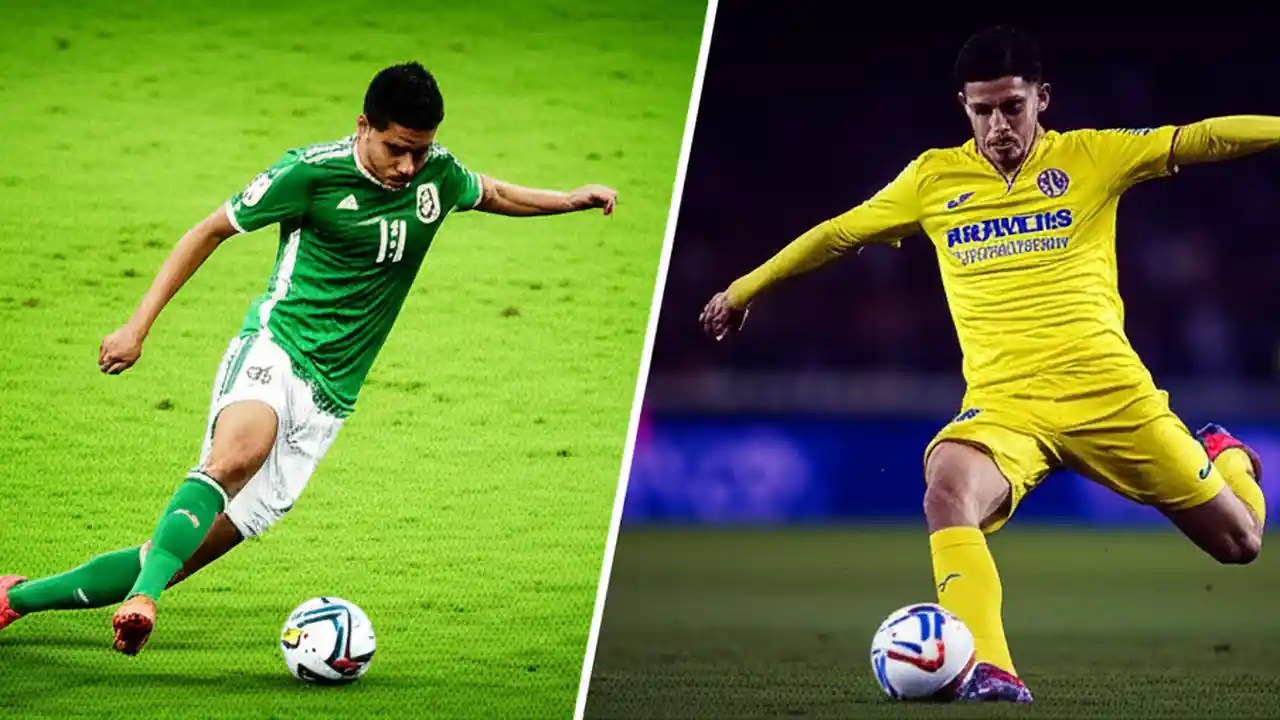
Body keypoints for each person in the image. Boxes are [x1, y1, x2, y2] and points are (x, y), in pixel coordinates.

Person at [698, 25, 1277, 703]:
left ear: (1043, 98)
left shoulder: (1093, 156)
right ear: (964, 107)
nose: (998, 124)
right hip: (1006, 407)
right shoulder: (933, 179)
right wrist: (743, 291)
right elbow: (839, 234)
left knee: (1241, 541)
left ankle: (1224, 454)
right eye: (983, 110)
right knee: (946, 489)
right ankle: (992, 670)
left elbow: (1201, 137)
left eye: (1012, 106)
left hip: (1111, 397)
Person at [0, 62, 619, 657]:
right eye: (396, 148)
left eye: (421, 151)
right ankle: (142, 600)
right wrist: (137, 326)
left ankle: (19, 596)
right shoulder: (309, 173)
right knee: (236, 455)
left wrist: (570, 199)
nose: (408, 166)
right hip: (277, 347)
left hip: (332, 399)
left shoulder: (437, 175)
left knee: (174, 553)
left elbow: (491, 191)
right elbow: (208, 230)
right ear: (363, 127)